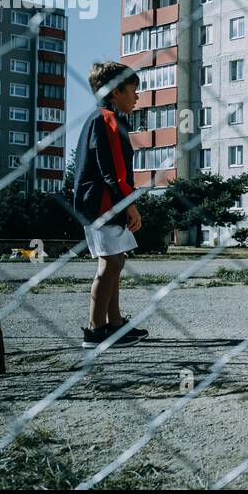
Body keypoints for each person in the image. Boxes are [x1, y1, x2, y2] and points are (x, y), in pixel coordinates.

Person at [73, 62, 148, 348]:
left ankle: (114, 323)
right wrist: (130, 204)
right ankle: (96, 328)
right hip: (104, 203)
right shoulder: (107, 120)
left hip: (98, 203)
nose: (137, 96)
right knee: (112, 261)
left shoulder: (101, 118)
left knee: (116, 259)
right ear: (116, 91)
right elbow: (114, 170)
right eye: (133, 90)